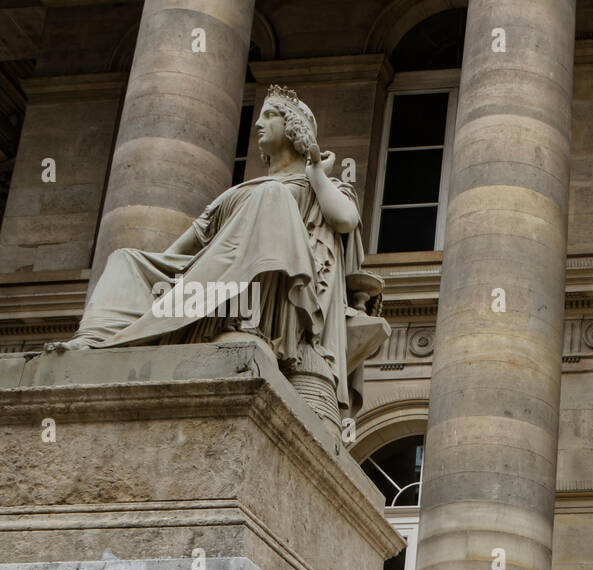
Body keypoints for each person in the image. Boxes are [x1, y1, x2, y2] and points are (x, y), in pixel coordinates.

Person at [57, 84, 373, 418]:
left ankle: (248, 325)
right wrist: (162, 284)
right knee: (124, 259)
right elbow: (181, 250)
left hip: (278, 294)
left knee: (271, 196)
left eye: (270, 115)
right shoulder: (237, 192)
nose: (258, 124)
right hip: (215, 278)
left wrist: (316, 173)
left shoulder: (317, 186)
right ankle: (95, 341)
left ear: (293, 126)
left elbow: (344, 219)